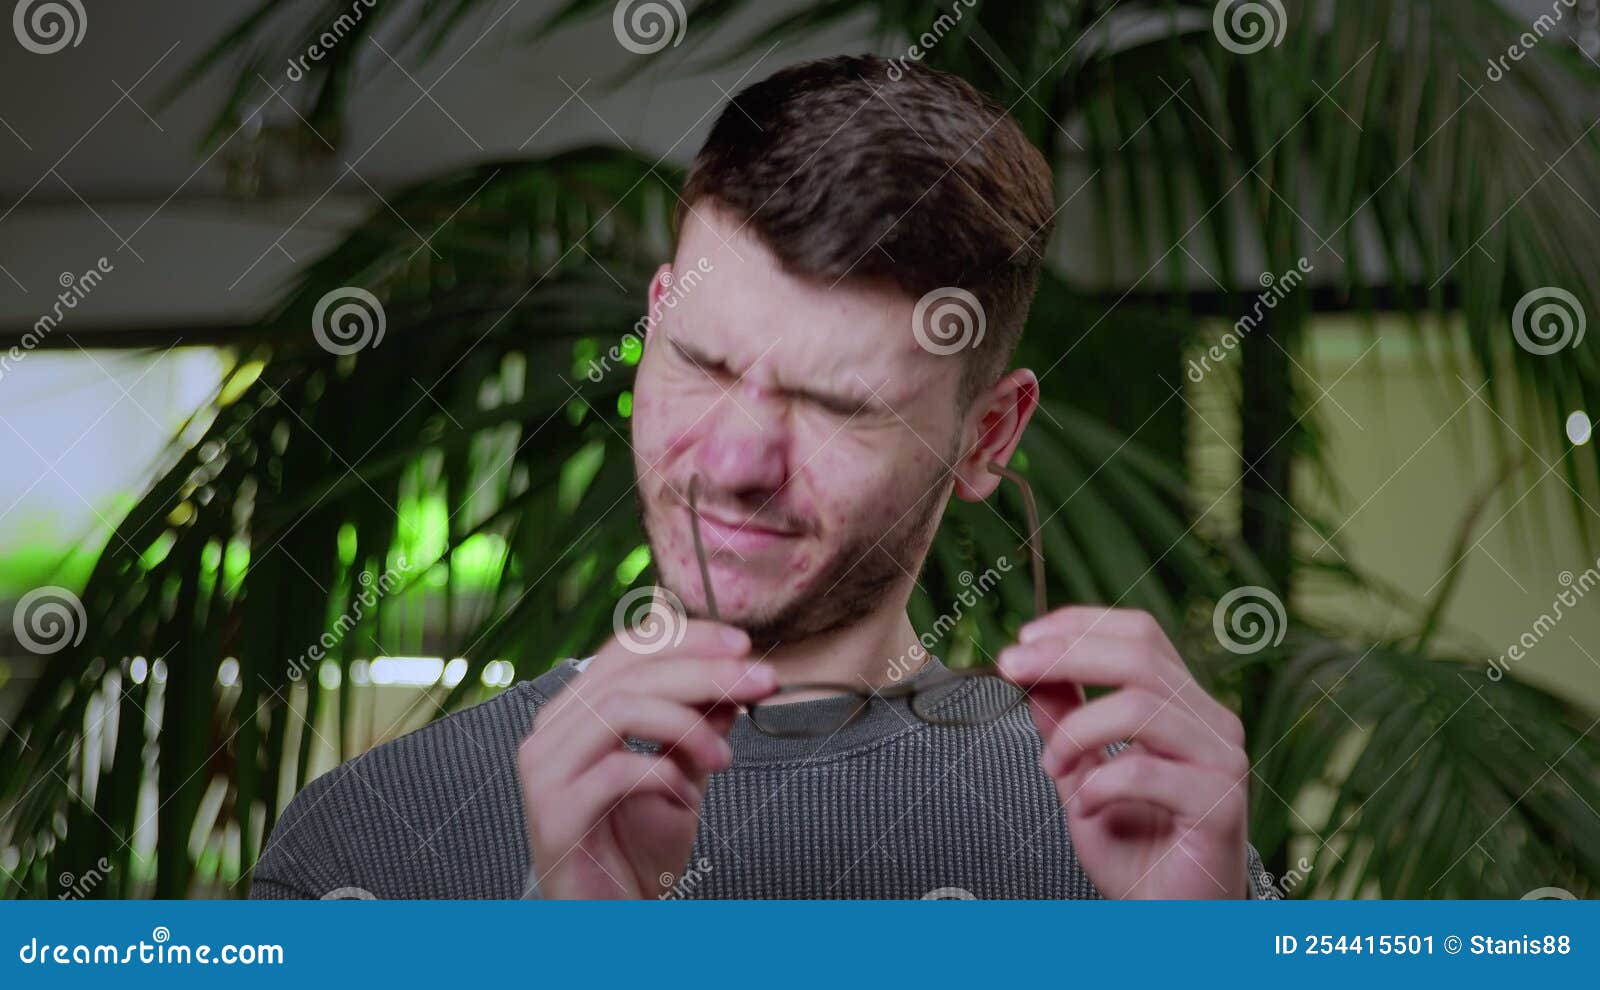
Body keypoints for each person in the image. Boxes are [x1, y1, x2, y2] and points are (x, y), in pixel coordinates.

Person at [252, 54, 1274, 900]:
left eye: (838, 407)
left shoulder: (1150, 853)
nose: (736, 465)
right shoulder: (368, 847)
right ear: (655, 318)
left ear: (987, 436)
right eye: (701, 362)